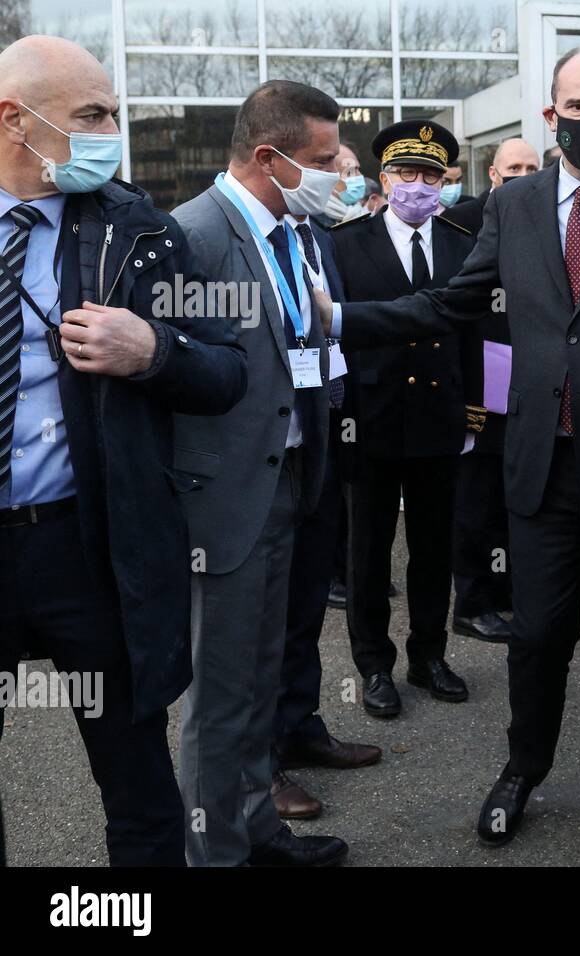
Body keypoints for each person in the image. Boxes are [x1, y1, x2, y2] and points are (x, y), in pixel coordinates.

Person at [323, 49, 580, 866]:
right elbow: (458, 299)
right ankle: (522, 769)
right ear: (550, 115)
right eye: (577, 104)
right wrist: (344, 318)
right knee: (539, 638)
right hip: (540, 465)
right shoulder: (519, 203)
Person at [0, 35, 247, 866]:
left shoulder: (138, 230)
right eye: (93, 116)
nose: (113, 133)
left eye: (115, 113)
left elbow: (225, 374)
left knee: (138, 788)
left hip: (93, 546)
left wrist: (155, 352)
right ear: (14, 121)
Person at [171, 79, 348, 867]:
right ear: (270, 159)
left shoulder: (293, 233)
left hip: (290, 480)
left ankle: (259, 832)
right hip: (225, 504)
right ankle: (216, 856)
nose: (334, 175)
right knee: (219, 697)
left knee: (260, 675)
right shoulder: (193, 236)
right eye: (320, 161)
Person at [332, 119, 479, 718]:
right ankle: (374, 666)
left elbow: (475, 334)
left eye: (429, 175)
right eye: (405, 173)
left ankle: (428, 654)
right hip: (370, 418)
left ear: (444, 181)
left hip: (440, 418)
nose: (417, 185)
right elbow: (333, 337)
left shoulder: (462, 245)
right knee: (367, 552)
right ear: (384, 178)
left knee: (433, 547)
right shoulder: (344, 244)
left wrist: (474, 415)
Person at [271, 188, 381, 822]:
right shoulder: (229, 239)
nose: (334, 183)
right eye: (321, 166)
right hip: (267, 453)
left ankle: (300, 726)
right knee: (259, 618)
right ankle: (259, 761)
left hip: (321, 438)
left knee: (308, 600)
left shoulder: (317, 239)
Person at [442, 137, 542, 643]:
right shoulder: (460, 221)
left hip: (530, 377)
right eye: (513, 167)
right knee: (475, 497)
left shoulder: (548, 216)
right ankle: (472, 601)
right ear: (494, 173)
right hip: (479, 379)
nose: (523, 174)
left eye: (532, 166)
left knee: (516, 492)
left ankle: (504, 590)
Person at [324, 140, 369, 225]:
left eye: (358, 170)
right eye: (350, 172)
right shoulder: (311, 222)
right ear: (327, 177)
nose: (359, 176)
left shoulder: (365, 216)